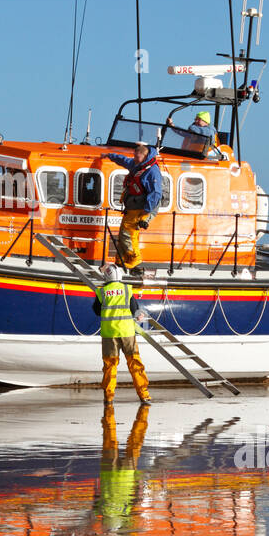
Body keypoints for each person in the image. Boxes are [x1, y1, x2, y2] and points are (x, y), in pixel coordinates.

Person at [91, 263, 151, 403]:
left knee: (110, 365)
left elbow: (97, 311)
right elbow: (135, 309)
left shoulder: (101, 292)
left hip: (109, 334)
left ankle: (109, 396)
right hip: (127, 332)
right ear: (120, 275)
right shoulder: (126, 289)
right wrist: (139, 316)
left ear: (106, 276)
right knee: (135, 363)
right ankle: (144, 395)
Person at [103, 141, 162, 275]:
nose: (134, 159)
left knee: (128, 235)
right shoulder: (137, 165)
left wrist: (146, 212)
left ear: (145, 156)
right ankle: (121, 261)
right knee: (123, 234)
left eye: (137, 157)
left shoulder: (152, 171)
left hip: (140, 209)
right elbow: (124, 160)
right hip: (131, 207)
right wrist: (109, 155)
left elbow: (156, 193)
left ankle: (136, 264)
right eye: (134, 156)